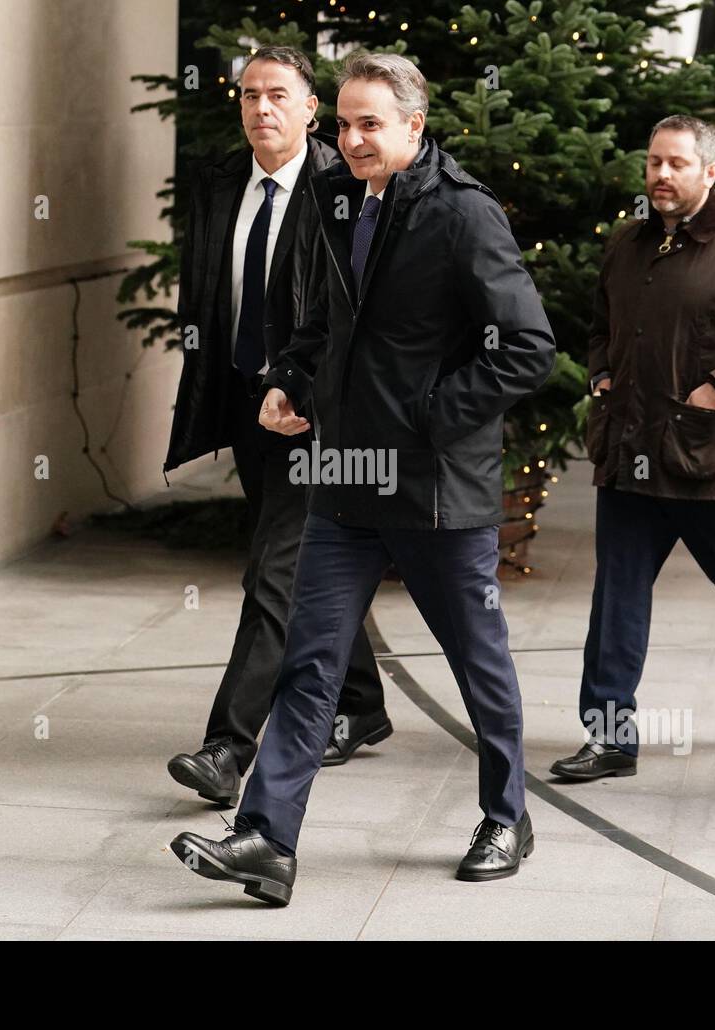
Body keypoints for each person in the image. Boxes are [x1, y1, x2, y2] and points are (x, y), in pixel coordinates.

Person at [169, 51, 556, 905]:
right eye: (342, 124)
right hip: (344, 483)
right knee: (311, 661)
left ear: (415, 125)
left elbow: (528, 348)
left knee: (476, 660)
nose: (350, 139)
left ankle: (506, 813)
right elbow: (322, 322)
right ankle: (267, 840)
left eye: (369, 123)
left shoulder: (464, 216)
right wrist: (290, 384)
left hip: (437, 493)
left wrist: (428, 416)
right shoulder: (340, 199)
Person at [551, 115, 715, 783]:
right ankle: (611, 736)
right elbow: (598, 327)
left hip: (711, 462)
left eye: (676, 164)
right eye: (654, 163)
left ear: (709, 172)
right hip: (630, 456)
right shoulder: (628, 243)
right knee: (617, 597)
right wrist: (603, 375)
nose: (662, 176)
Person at [162, 47, 391, 808]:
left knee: (273, 574)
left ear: (309, 109)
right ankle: (361, 703)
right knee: (292, 566)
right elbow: (209, 291)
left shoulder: (342, 189)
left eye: (279, 96)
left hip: (314, 414)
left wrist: (309, 391)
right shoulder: (222, 182)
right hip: (244, 401)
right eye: (250, 95)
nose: (262, 108)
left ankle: (228, 748)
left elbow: (358, 311)